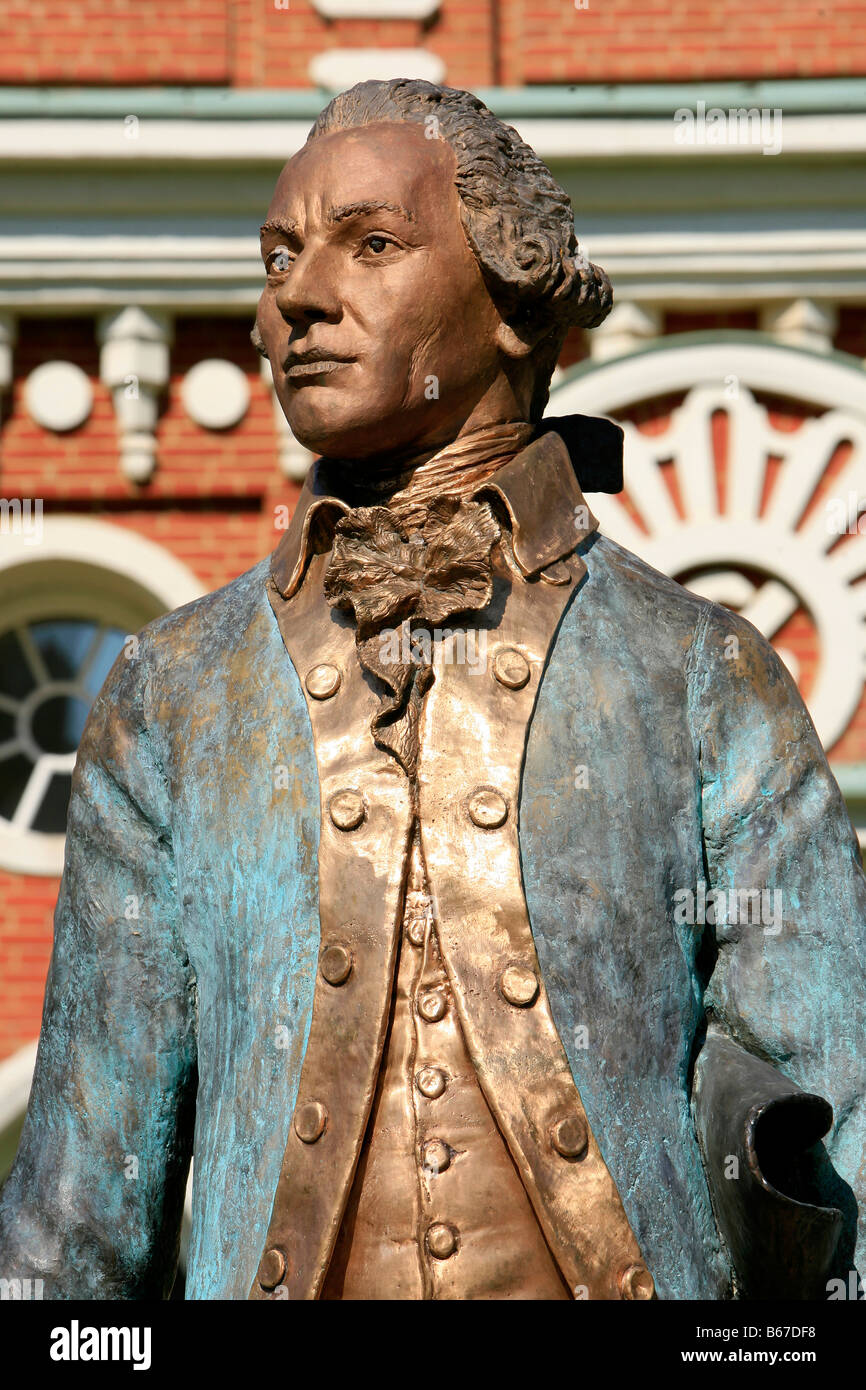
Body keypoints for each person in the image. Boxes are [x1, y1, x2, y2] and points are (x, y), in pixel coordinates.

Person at [1, 78, 863, 1301]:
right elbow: (75, 1219)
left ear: (512, 304)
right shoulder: (174, 694)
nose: (295, 296)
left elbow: (842, 1160)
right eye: (278, 256)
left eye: (371, 244)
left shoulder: (695, 675)